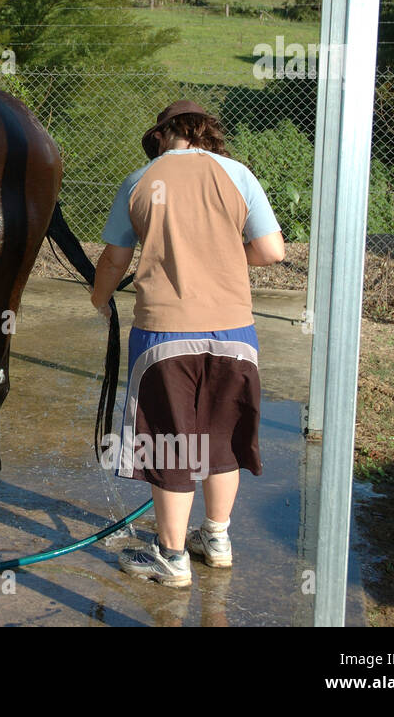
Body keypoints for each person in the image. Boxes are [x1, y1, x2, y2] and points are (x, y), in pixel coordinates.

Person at [91, 100, 285, 587]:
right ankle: (216, 538)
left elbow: (115, 260)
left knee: (168, 442)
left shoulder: (140, 180)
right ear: (205, 135)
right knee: (223, 438)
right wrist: (219, 257)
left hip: (165, 334)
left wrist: (99, 298)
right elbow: (271, 251)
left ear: (161, 135)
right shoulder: (239, 174)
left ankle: (171, 558)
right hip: (235, 333)